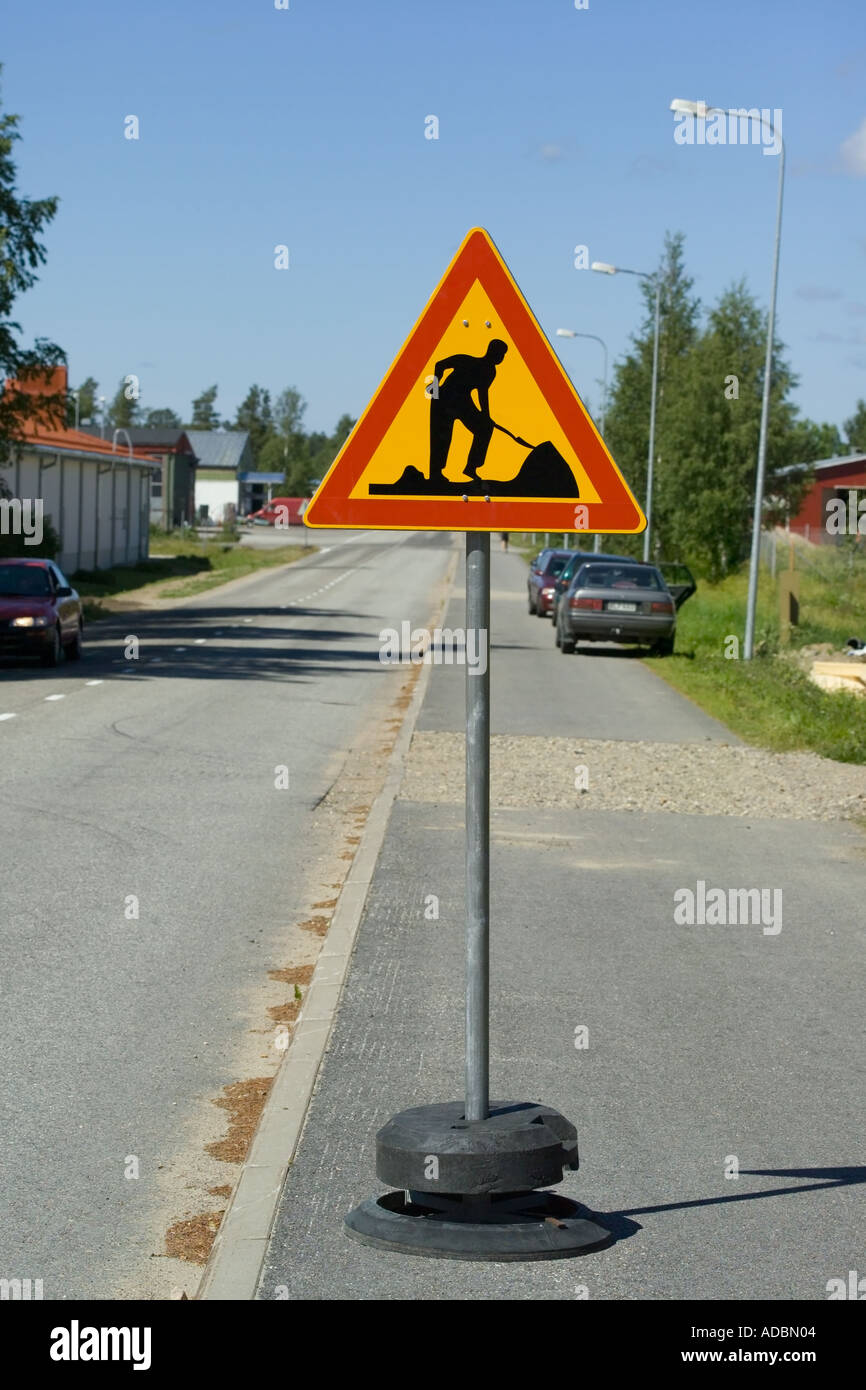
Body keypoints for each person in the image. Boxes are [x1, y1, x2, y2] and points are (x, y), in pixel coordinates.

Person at [429, 339, 508, 483]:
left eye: (503, 355)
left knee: (485, 428)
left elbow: (482, 393)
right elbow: (439, 364)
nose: (502, 358)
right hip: (444, 399)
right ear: (492, 352)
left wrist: (486, 416)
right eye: (500, 354)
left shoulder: (490, 371)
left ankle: (471, 467)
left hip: (463, 401)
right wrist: (435, 385)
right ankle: (436, 473)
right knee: (441, 436)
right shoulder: (465, 360)